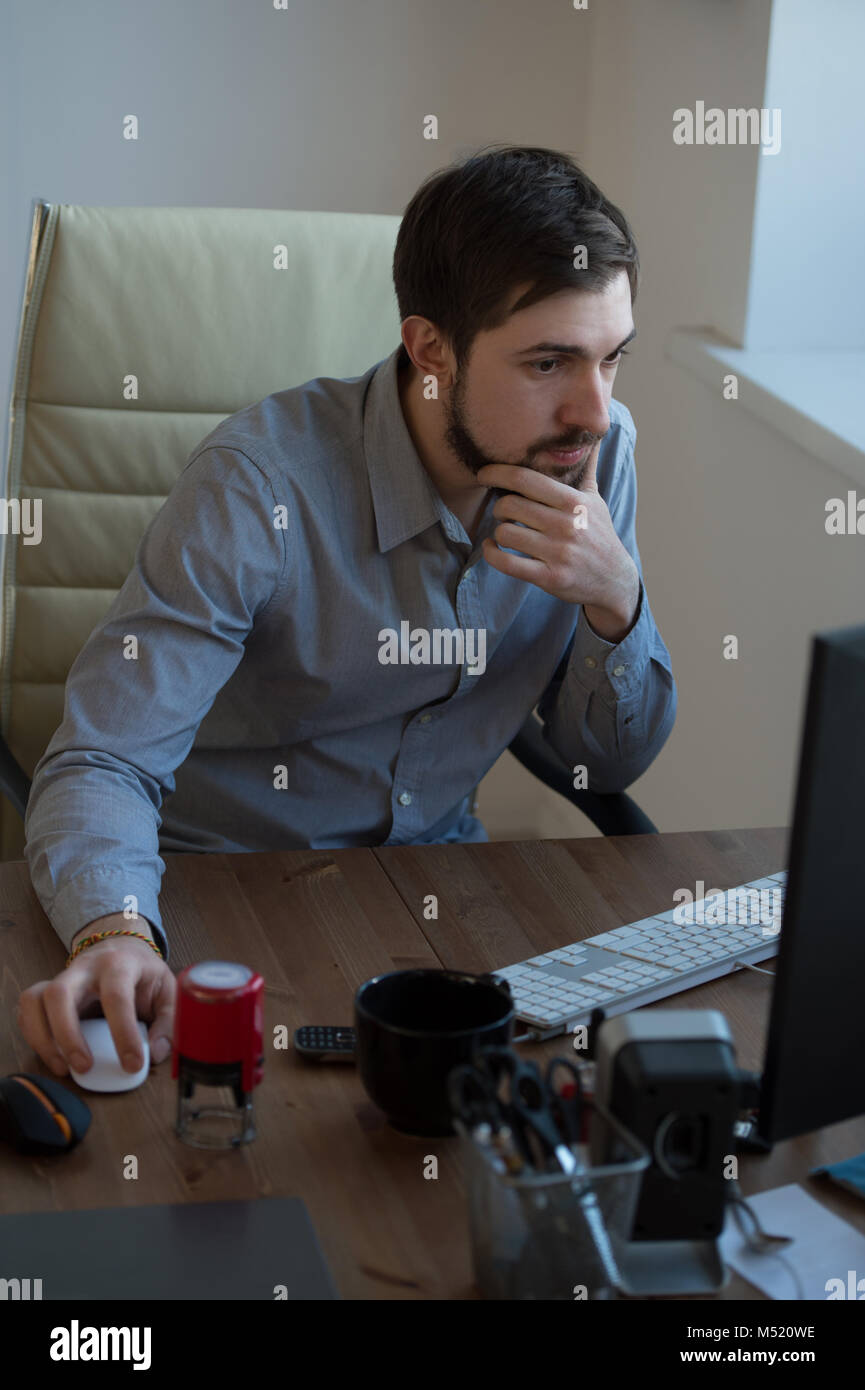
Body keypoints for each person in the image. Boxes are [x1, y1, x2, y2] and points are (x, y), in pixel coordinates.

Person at [19, 144, 676, 1081]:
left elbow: (607, 764)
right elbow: (103, 759)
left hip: (440, 905)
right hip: (221, 900)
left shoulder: (595, 457)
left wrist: (617, 600)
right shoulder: (258, 486)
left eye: (613, 358)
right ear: (431, 352)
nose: (594, 411)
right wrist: (115, 933)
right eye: (548, 362)